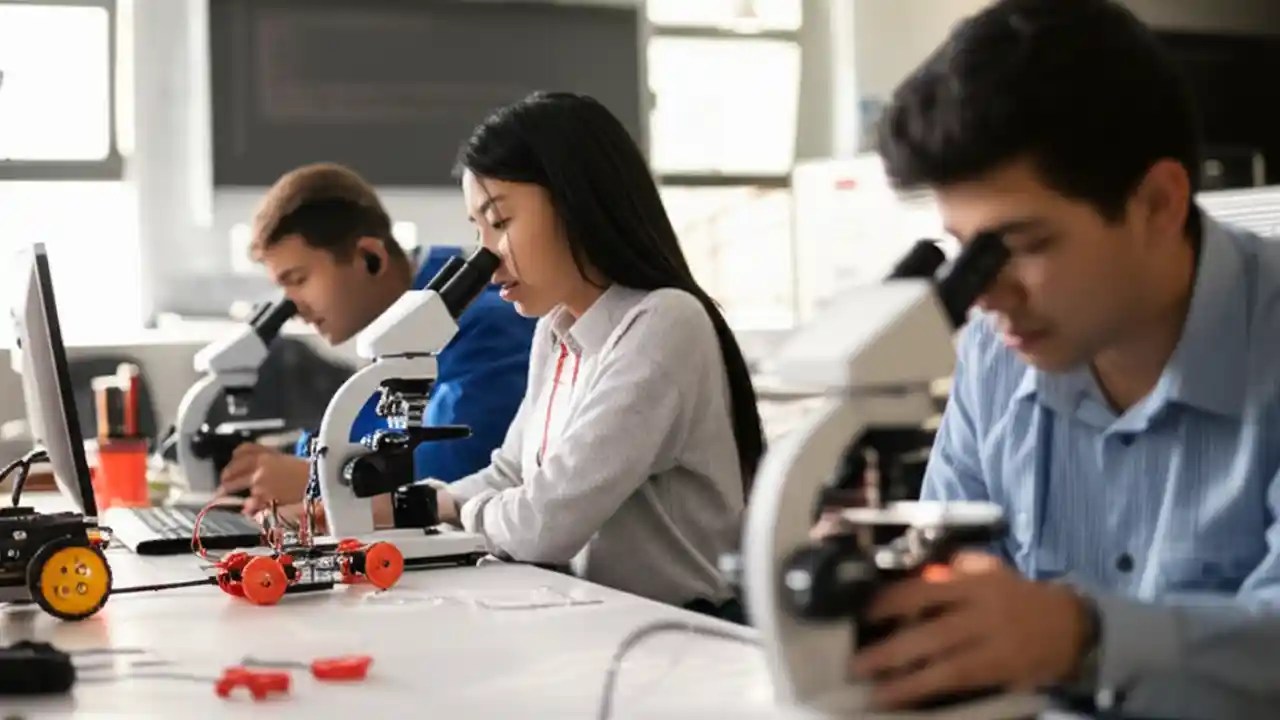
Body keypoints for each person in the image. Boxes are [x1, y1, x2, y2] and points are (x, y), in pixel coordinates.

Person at [847, 1, 1280, 718]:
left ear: (1158, 203)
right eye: (969, 251)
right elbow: (948, 564)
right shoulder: (997, 347)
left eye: (1023, 244)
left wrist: (1079, 636)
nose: (988, 294)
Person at [340, 92, 762, 617]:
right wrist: (404, 505)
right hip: (594, 616)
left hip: (679, 633)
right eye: (478, 231)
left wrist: (452, 508)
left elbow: (542, 525)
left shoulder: (663, 323)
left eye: (500, 222)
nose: (488, 261)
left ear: (574, 199)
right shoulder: (557, 330)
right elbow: (509, 474)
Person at [217, 163, 535, 512]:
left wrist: (317, 480)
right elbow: (361, 434)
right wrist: (280, 470)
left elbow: (466, 462)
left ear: (371, 257)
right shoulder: (395, 334)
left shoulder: (487, 321)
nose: (294, 307)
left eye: (298, 279)